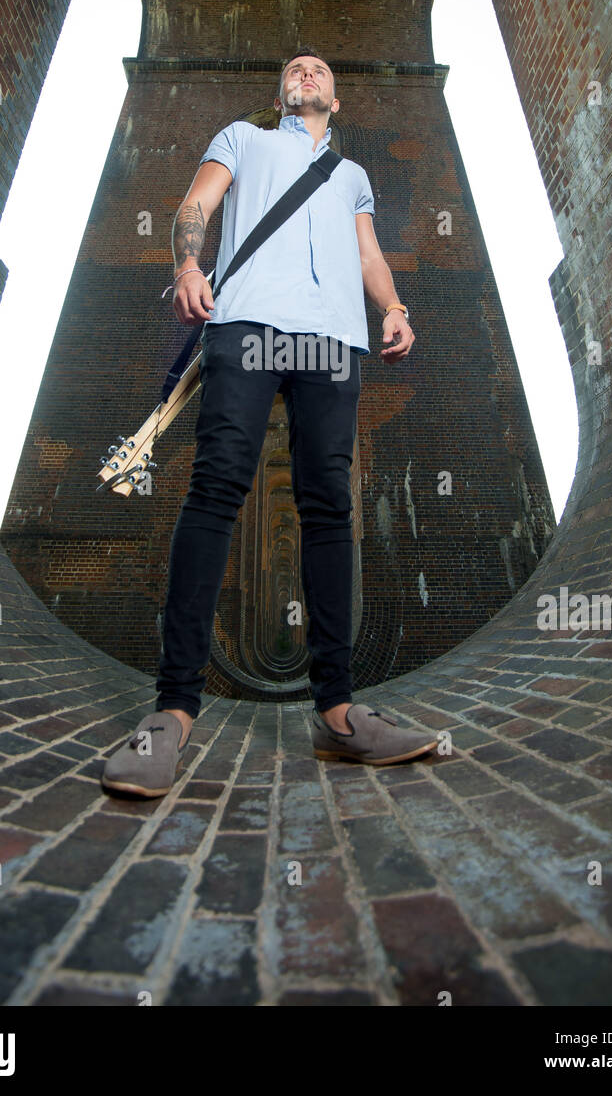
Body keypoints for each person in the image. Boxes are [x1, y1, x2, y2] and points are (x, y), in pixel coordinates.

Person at [101, 48, 438, 797]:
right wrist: (189, 267)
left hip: (333, 339)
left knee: (328, 508)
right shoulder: (242, 139)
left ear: (336, 100)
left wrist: (394, 308)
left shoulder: (351, 177)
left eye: (318, 69)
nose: (306, 72)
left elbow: (367, 252)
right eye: (294, 68)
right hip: (246, 323)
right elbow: (196, 206)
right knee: (216, 488)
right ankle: (173, 711)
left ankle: (339, 712)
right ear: (281, 92)